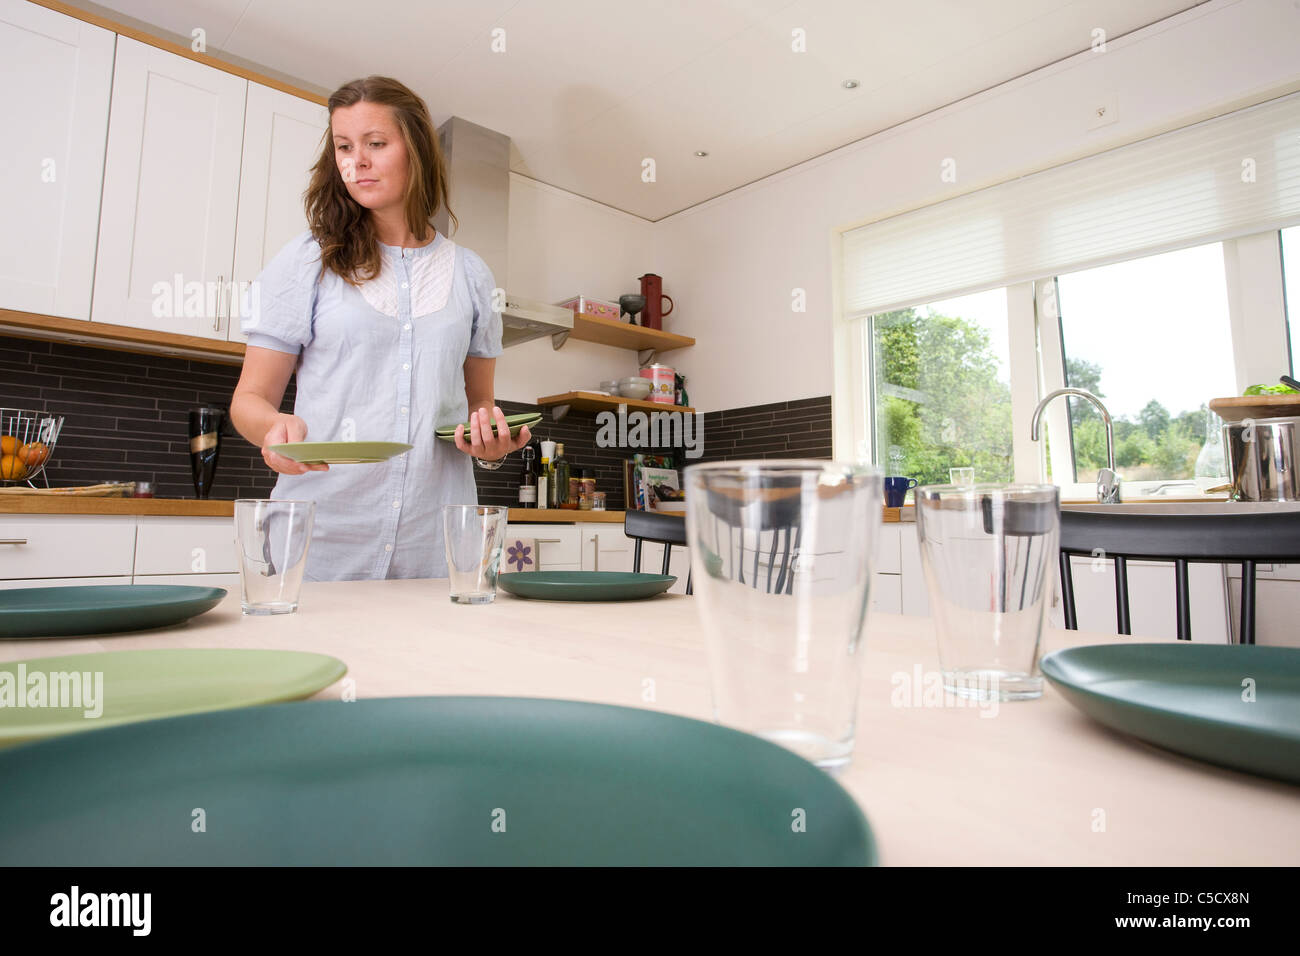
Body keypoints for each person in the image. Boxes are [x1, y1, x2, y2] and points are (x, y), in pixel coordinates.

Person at [230, 76, 530, 580]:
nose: (356, 162)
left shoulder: (472, 274)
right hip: (321, 541)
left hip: (435, 545)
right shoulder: (308, 260)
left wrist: (490, 442)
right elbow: (249, 400)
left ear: (415, 150)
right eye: (344, 147)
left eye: (375, 144)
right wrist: (272, 429)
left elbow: (479, 404)